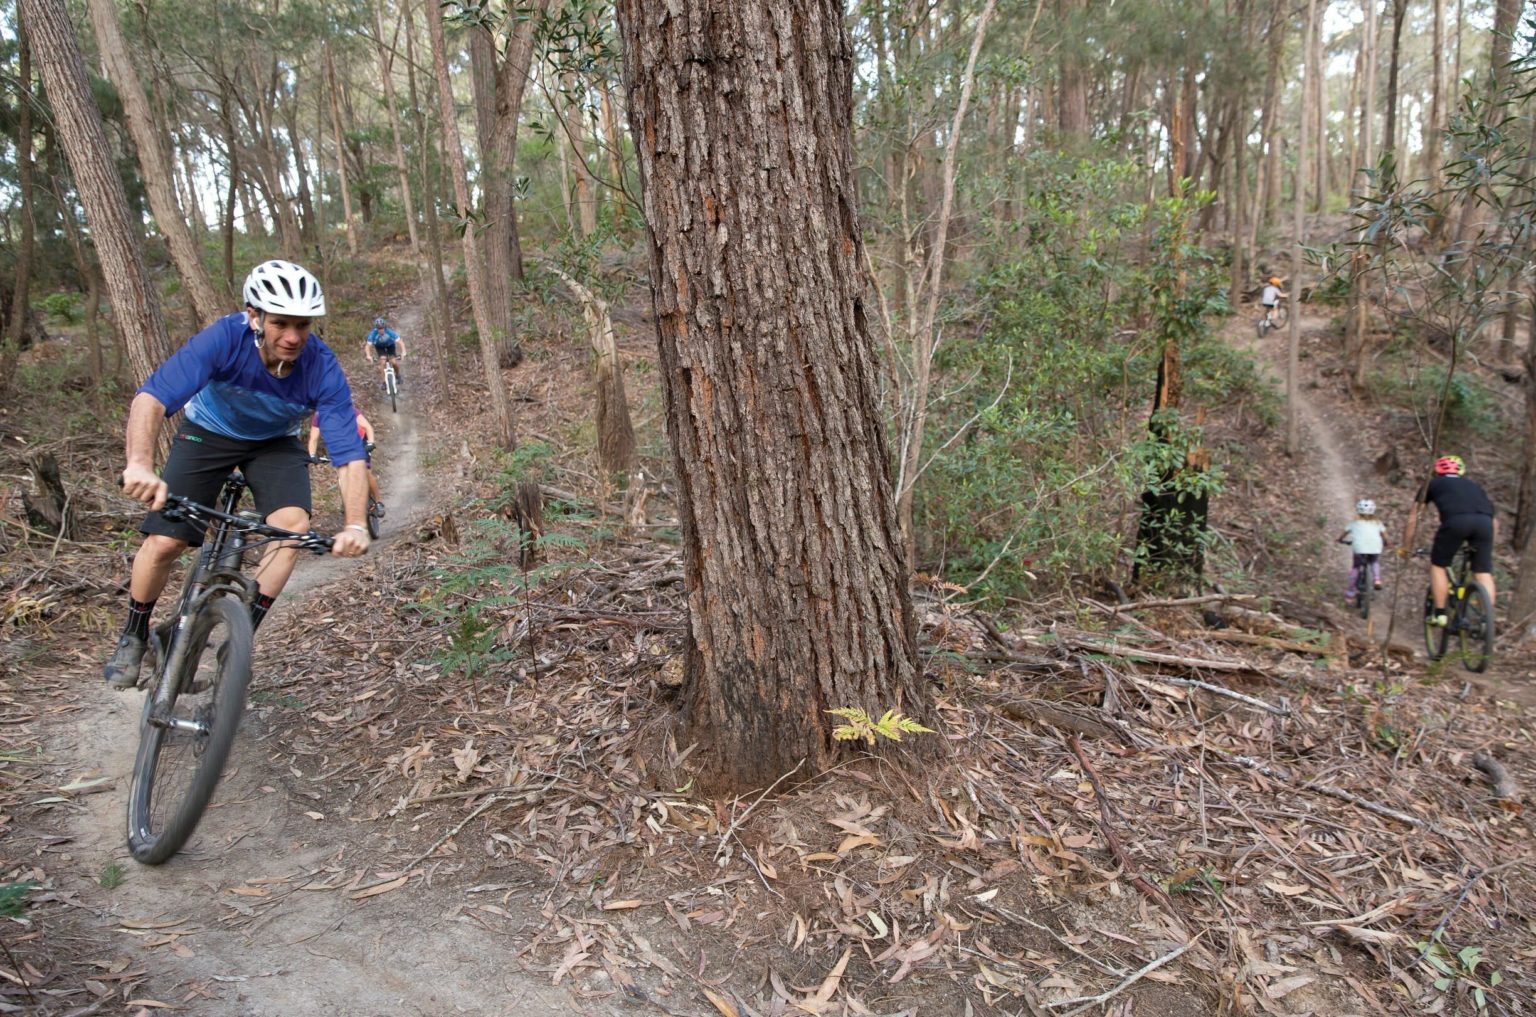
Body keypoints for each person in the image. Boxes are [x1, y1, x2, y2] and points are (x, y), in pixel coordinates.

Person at [106, 260, 371, 689]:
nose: (292, 337)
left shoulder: (321, 365)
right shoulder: (224, 339)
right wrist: (139, 464)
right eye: (281, 323)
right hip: (208, 433)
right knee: (166, 541)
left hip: (273, 443)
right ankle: (134, 634)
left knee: (292, 530)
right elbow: (152, 399)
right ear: (255, 316)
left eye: (302, 325)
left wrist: (355, 522)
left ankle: (240, 636)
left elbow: (348, 454)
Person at [1402, 454, 1498, 628]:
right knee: (1483, 571)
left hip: (1456, 522)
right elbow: (1494, 521)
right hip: (1485, 524)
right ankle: (1487, 620)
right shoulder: (1474, 486)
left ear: (1437, 471)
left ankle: (1440, 614)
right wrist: (1489, 546)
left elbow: (1413, 518)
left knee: (1439, 565)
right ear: (1461, 471)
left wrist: (1406, 547)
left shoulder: (1432, 484)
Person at [307, 405, 383, 516]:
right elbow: (313, 438)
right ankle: (347, 502)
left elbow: (367, 427)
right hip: (338, 447)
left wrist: (371, 442)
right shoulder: (319, 416)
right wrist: (312, 455)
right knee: (342, 475)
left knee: (365, 471)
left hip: (358, 440)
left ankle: (378, 502)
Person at [1337, 498, 1386, 604]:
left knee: (1356, 567)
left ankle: (1350, 592)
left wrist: (1340, 539)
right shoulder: (1377, 523)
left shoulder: (1354, 523)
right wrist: (1388, 543)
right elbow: (1384, 535)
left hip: (1359, 549)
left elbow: (1344, 533)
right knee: (1374, 562)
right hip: (1375, 548)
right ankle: (1377, 579)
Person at [364, 316, 405, 388]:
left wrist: (403, 352)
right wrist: (368, 355)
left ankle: (398, 375)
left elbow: (400, 342)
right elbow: (367, 346)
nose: (381, 330)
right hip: (380, 347)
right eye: (379, 328)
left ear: (384, 327)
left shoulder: (389, 332)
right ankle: (384, 382)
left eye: (382, 328)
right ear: (376, 329)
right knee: (383, 362)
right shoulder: (373, 334)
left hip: (390, 346)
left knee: (394, 362)